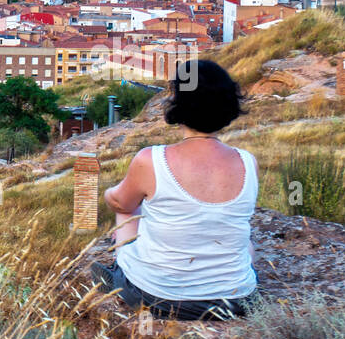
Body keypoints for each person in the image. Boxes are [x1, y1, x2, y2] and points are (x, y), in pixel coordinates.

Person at [95, 60, 258, 320]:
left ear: (179, 104)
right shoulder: (248, 162)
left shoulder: (151, 160)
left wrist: (109, 194)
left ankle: (121, 269)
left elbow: (119, 203)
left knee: (128, 208)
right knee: (243, 238)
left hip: (159, 297)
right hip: (235, 300)